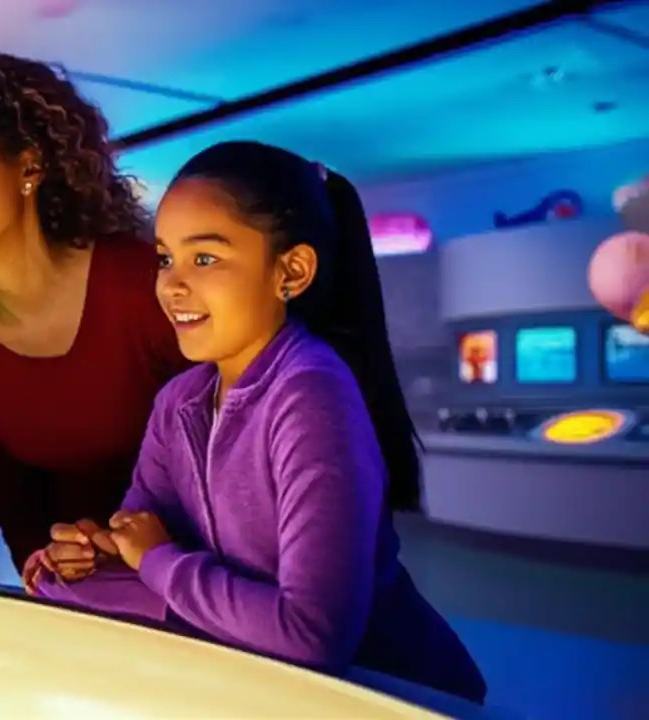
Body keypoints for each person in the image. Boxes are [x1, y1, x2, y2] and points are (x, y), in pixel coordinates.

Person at [24, 141, 487, 703]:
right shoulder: (180, 403)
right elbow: (143, 543)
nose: (171, 285)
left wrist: (153, 558)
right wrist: (84, 558)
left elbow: (310, 633)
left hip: (390, 698)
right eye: (166, 258)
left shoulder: (311, 392)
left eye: (206, 258)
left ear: (290, 271)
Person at [0, 52, 192, 570]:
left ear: (29, 165)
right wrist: (54, 567)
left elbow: (233, 472)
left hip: (209, 585)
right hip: (89, 600)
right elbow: (17, 510)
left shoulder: (145, 286)